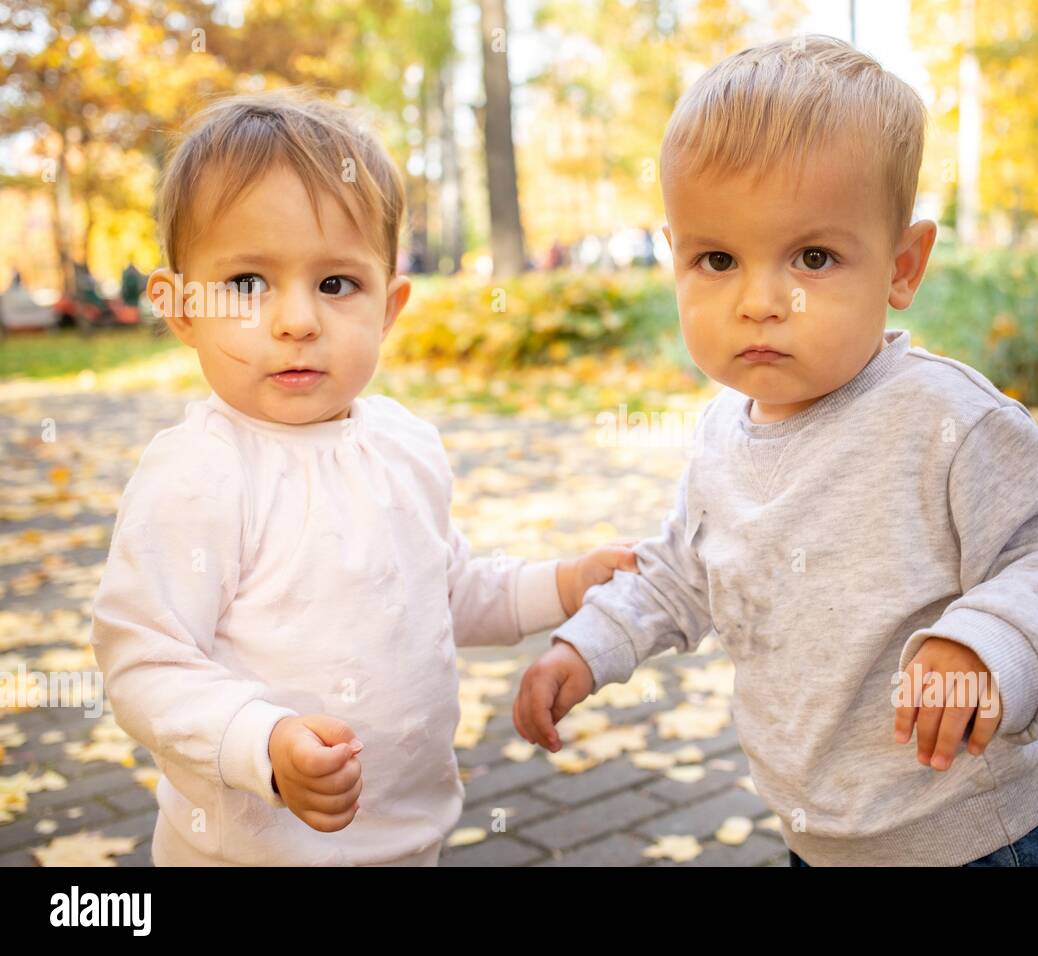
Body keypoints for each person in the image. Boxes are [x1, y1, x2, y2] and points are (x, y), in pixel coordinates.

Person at [513, 35, 1038, 867]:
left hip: (981, 837)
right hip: (822, 836)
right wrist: (586, 645)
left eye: (813, 257)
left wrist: (988, 642)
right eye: (717, 259)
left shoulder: (944, 420)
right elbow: (680, 572)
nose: (762, 301)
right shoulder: (722, 433)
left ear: (902, 266)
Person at [90, 89, 637, 866]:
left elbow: (444, 593)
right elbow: (144, 661)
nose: (297, 320)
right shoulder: (199, 475)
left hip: (408, 841)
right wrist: (263, 743)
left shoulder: (404, 447)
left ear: (388, 306)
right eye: (247, 284)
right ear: (181, 309)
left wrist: (560, 584)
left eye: (336, 284)